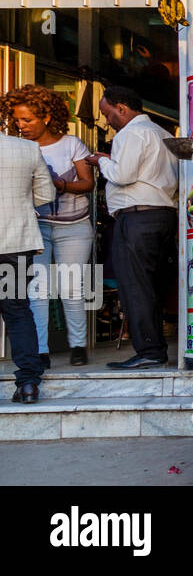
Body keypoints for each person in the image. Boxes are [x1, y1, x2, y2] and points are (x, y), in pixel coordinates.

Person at [0, 85, 96, 367]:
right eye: (17, 120)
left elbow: (88, 183)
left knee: (71, 286)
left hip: (74, 226)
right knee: (36, 290)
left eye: (27, 119)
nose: (21, 125)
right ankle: (40, 348)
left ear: (45, 117)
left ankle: (78, 345)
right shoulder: (18, 148)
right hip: (36, 227)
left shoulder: (71, 144)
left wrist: (60, 185)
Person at [85, 86, 178, 370]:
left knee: (135, 286)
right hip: (162, 215)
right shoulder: (163, 133)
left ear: (122, 108)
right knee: (152, 285)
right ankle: (153, 347)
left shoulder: (131, 134)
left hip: (137, 218)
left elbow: (122, 175)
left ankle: (149, 351)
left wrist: (101, 160)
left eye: (107, 113)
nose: (107, 121)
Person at [0, 132, 57, 402]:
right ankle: (28, 384)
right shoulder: (27, 148)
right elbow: (46, 193)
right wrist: (21, 205)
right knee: (17, 310)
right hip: (16, 241)